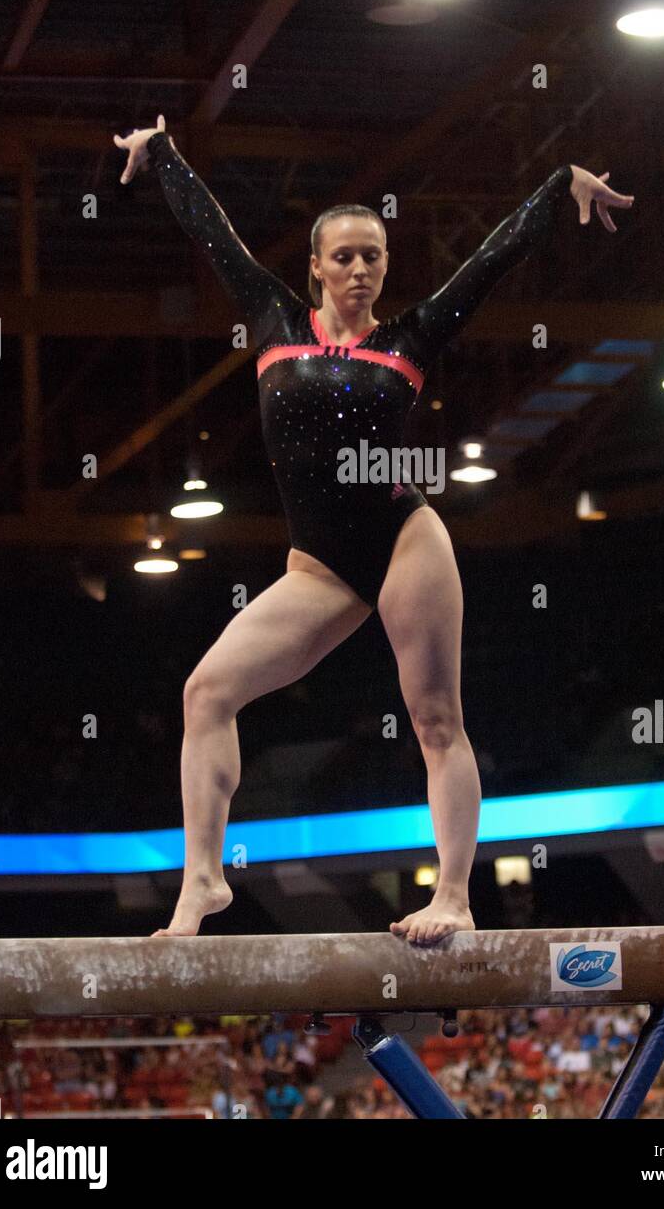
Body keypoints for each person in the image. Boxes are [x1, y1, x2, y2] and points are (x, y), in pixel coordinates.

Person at [113, 115, 633, 944]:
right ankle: (203, 882)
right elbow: (214, 234)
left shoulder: (413, 336)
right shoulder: (275, 322)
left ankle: (454, 894)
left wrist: (557, 185)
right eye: (344, 256)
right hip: (318, 565)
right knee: (206, 692)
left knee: (434, 717)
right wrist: (164, 154)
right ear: (314, 267)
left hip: (403, 539)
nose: (360, 269)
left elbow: (488, 264)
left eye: (374, 256)